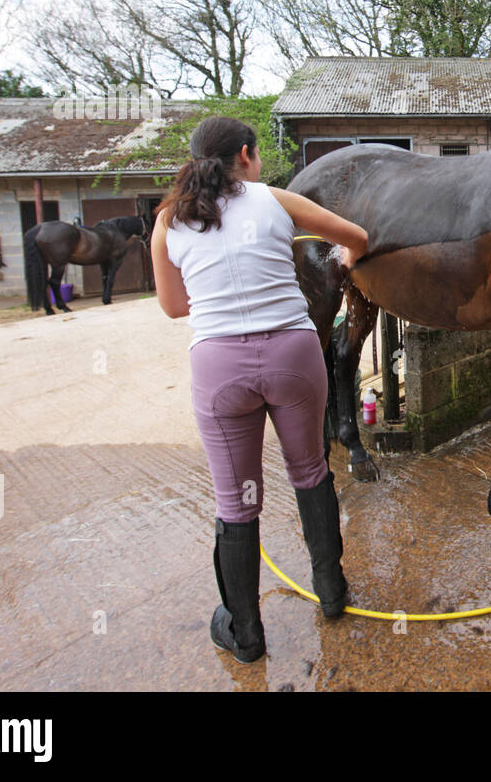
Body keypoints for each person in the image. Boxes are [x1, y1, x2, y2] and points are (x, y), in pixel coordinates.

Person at [150, 116, 368, 663]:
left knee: (236, 500)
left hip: (221, 367)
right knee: (311, 472)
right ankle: (333, 592)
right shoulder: (274, 200)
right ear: (245, 155)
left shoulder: (168, 219)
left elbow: (175, 307)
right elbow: (357, 238)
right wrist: (345, 261)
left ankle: (245, 633)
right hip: (294, 355)